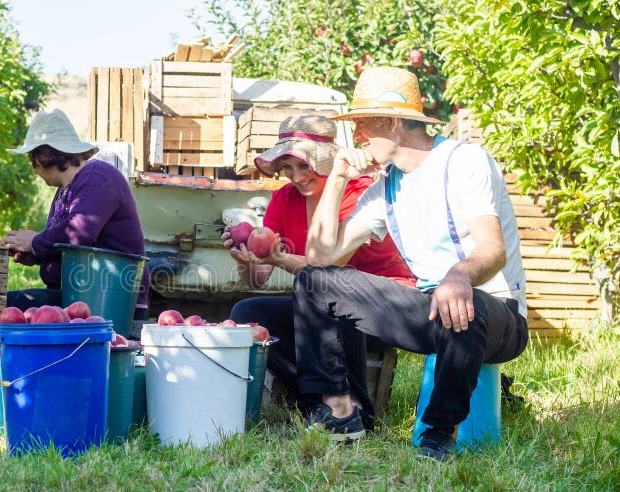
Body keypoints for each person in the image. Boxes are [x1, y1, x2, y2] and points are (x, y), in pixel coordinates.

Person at [297, 66, 528, 459]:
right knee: (313, 282)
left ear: (389, 122)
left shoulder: (465, 160)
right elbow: (320, 258)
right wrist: (336, 179)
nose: (356, 139)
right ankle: (340, 410)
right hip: (429, 312)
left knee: (463, 302)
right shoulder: (384, 186)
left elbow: (492, 250)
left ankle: (439, 435)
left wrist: (457, 277)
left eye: (361, 126)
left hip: (497, 314)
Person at [222, 114, 415, 429]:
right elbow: (261, 278)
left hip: (386, 301)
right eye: (288, 168)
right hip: (322, 306)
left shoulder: (358, 192)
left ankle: (356, 409)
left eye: (303, 166)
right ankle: (313, 400)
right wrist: (248, 263)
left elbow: (332, 266)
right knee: (246, 312)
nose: (296, 177)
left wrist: (277, 259)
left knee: (335, 299)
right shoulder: (284, 199)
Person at [2, 109, 150, 319]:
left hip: (107, 301)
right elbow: (71, 247)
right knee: (7, 303)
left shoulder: (97, 177)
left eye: (32, 158)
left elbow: (79, 232)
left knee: (6, 305)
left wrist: (35, 241)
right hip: (80, 295)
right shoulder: (67, 190)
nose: (33, 168)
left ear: (43, 156)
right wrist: (36, 254)